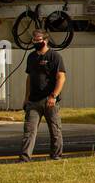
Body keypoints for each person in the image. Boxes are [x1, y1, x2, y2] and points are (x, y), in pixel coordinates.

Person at [20, 29, 66, 162]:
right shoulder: (31, 57)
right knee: (29, 130)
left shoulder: (54, 57)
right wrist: (26, 97)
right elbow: (29, 78)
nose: (35, 42)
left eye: (38, 40)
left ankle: (56, 156)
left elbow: (61, 78)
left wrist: (54, 96)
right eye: (34, 40)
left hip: (49, 100)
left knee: (55, 129)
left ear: (45, 40)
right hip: (33, 100)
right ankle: (24, 158)